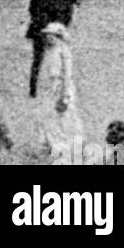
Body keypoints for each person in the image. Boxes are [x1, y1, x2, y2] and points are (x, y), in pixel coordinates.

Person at [33, 22, 84, 164]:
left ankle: (65, 149)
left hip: (61, 88)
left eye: (52, 35)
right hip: (50, 89)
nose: (48, 38)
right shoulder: (49, 51)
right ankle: (53, 146)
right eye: (47, 35)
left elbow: (67, 75)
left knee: (63, 118)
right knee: (48, 118)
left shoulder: (64, 51)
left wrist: (64, 95)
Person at [26, 0, 65, 98]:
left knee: (37, 61)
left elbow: (31, 12)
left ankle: (33, 88)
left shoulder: (35, 0)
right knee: (55, 59)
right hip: (50, 31)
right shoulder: (56, 1)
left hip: (37, 32)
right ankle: (56, 88)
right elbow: (59, 17)